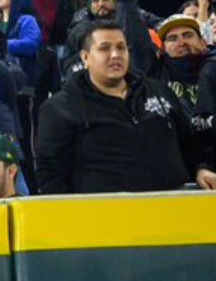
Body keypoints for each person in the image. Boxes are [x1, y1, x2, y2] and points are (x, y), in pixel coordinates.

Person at [36, 21, 216, 194]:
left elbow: (189, 144)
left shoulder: (158, 91)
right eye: (104, 48)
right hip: (105, 217)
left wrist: (201, 168)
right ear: (85, 57)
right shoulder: (60, 108)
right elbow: (51, 174)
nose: (115, 54)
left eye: (121, 47)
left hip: (172, 209)